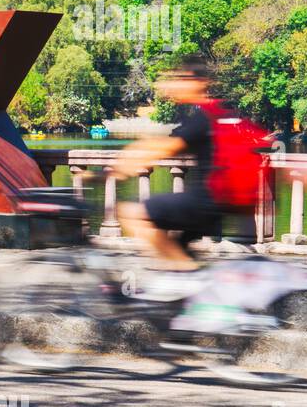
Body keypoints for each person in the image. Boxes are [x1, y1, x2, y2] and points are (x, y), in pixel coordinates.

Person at [113, 56, 266, 297]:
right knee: (172, 245)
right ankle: (185, 309)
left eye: (180, 79)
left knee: (130, 214)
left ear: (198, 82)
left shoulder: (201, 117)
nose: (175, 85)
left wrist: (125, 164)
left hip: (204, 203)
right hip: (219, 204)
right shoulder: (219, 111)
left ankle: (188, 275)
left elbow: (166, 148)